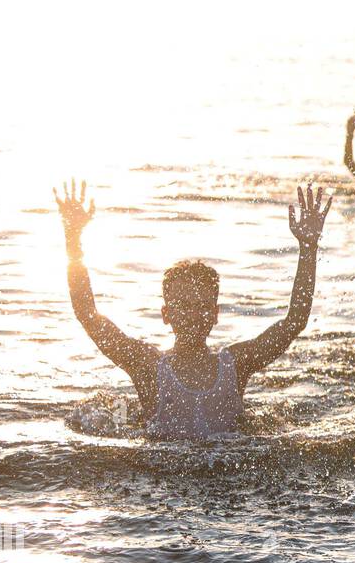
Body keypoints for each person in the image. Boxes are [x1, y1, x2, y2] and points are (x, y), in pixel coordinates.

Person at [53, 178, 333, 438]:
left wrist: (308, 248)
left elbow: (294, 321)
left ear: (215, 314)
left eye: (202, 306)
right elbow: (88, 315)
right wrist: (72, 239)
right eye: (183, 306)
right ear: (166, 315)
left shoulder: (235, 365)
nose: (193, 315)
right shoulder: (149, 367)